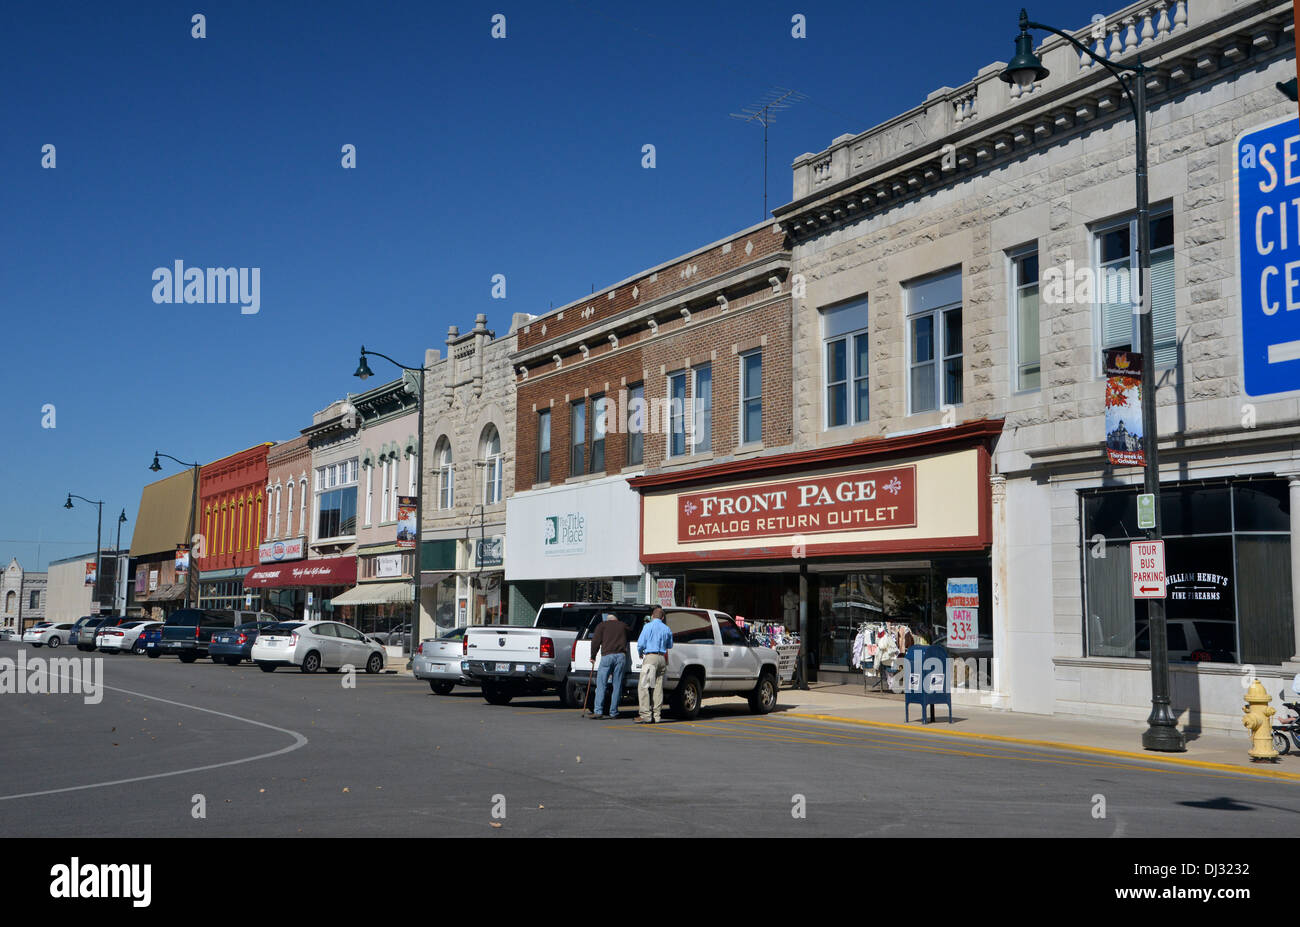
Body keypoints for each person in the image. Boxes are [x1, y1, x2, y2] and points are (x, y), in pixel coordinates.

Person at [635, 606, 673, 723]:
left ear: (652, 616)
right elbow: (669, 645)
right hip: (661, 658)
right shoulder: (666, 628)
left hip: (650, 657)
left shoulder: (648, 626)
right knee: (658, 688)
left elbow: (641, 643)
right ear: (662, 617)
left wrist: (640, 652)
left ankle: (645, 715)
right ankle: (657, 715)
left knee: (644, 686)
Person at [588, 613, 629, 719]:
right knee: (617, 685)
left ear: (608, 619)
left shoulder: (602, 625)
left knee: (601, 684)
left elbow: (595, 641)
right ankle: (614, 712)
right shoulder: (623, 625)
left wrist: (593, 656)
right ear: (616, 619)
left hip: (607, 656)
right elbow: (630, 634)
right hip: (621, 656)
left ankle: (598, 711)